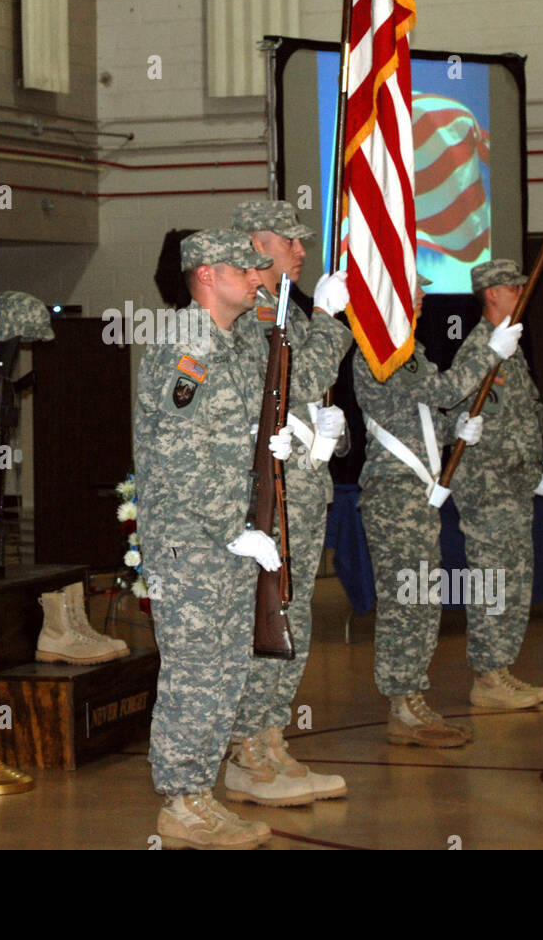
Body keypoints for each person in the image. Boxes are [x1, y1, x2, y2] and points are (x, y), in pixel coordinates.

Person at [134, 229, 304, 849]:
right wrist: (235, 527)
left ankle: (199, 794)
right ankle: (181, 804)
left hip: (230, 540)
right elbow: (179, 455)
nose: (258, 277)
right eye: (244, 267)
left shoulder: (232, 345)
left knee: (225, 670)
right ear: (206, 273)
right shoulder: (184, 346)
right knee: (195, 673)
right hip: (193, 544)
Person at [353, 278, 522, 747]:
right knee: (407, 603)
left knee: (422, 601)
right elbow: (441, 390)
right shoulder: (379, 353)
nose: (421, 295)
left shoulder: (411, 351)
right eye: (410, 288)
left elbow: (423, 414)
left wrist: (455, 429)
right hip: (395, 494)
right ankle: (402, 704)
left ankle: (411, 698)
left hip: (416, 491)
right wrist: (491, 352)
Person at [225, 199, 353, 806]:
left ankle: (271, 738)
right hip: (264, 501)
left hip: (302, 492)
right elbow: (298, 378)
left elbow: (307, 398)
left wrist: (331, 431)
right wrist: (330, 318)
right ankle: (246, 751)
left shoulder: (286, 311)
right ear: (256, 244)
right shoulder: (251, 310)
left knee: (292, 618)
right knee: (262, 615)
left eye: (303, 242)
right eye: (290, 241)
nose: (302, 251)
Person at [444, 260, 543, 709]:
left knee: (515, 579)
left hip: (513, 485)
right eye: (512, 287)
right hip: (486, 486)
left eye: (520, 285)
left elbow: (516, 415)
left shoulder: (511, 350)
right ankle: (487, 675)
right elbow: (450, 412)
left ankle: (499, 667)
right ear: (490, 294)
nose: (520, 291)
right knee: (494, 580)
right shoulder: (480, 349)